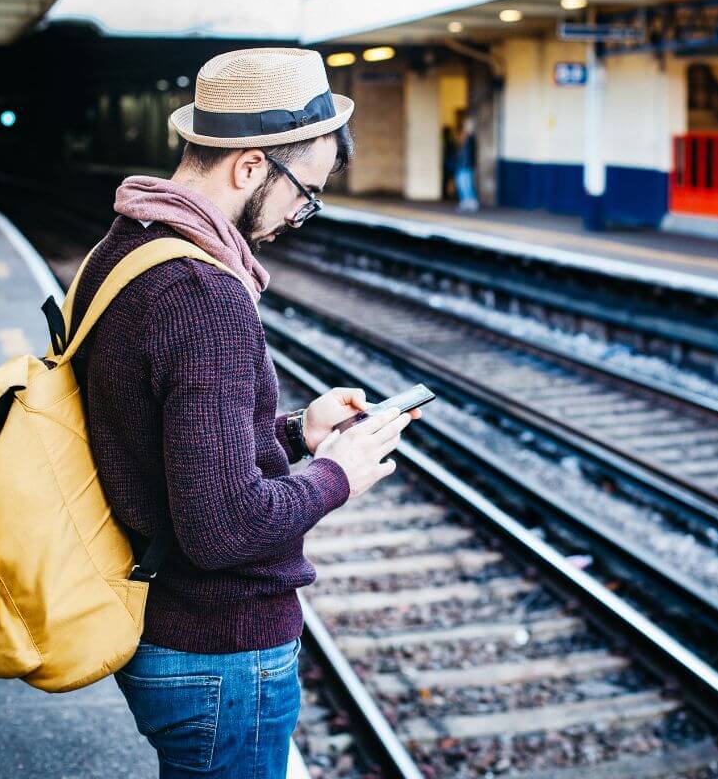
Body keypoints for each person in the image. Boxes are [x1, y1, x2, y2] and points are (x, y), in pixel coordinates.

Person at [68, 48, 419, 778]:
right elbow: (225, 526)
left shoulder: (125, 248)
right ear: (251, 166)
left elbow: (158, 437)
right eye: (305, 192)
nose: (302, 214)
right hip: (218, 649)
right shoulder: (205, 295)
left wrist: (297, 431)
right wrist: (337, 473)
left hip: (166, 627)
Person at [454, 115, 479, 212]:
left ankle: (470, 202)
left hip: (466, 164)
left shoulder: (470, 137)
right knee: (462, 183)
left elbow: (470, 153)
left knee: (466, 183)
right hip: (462, 164)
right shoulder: (465, 137)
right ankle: (466, 201)